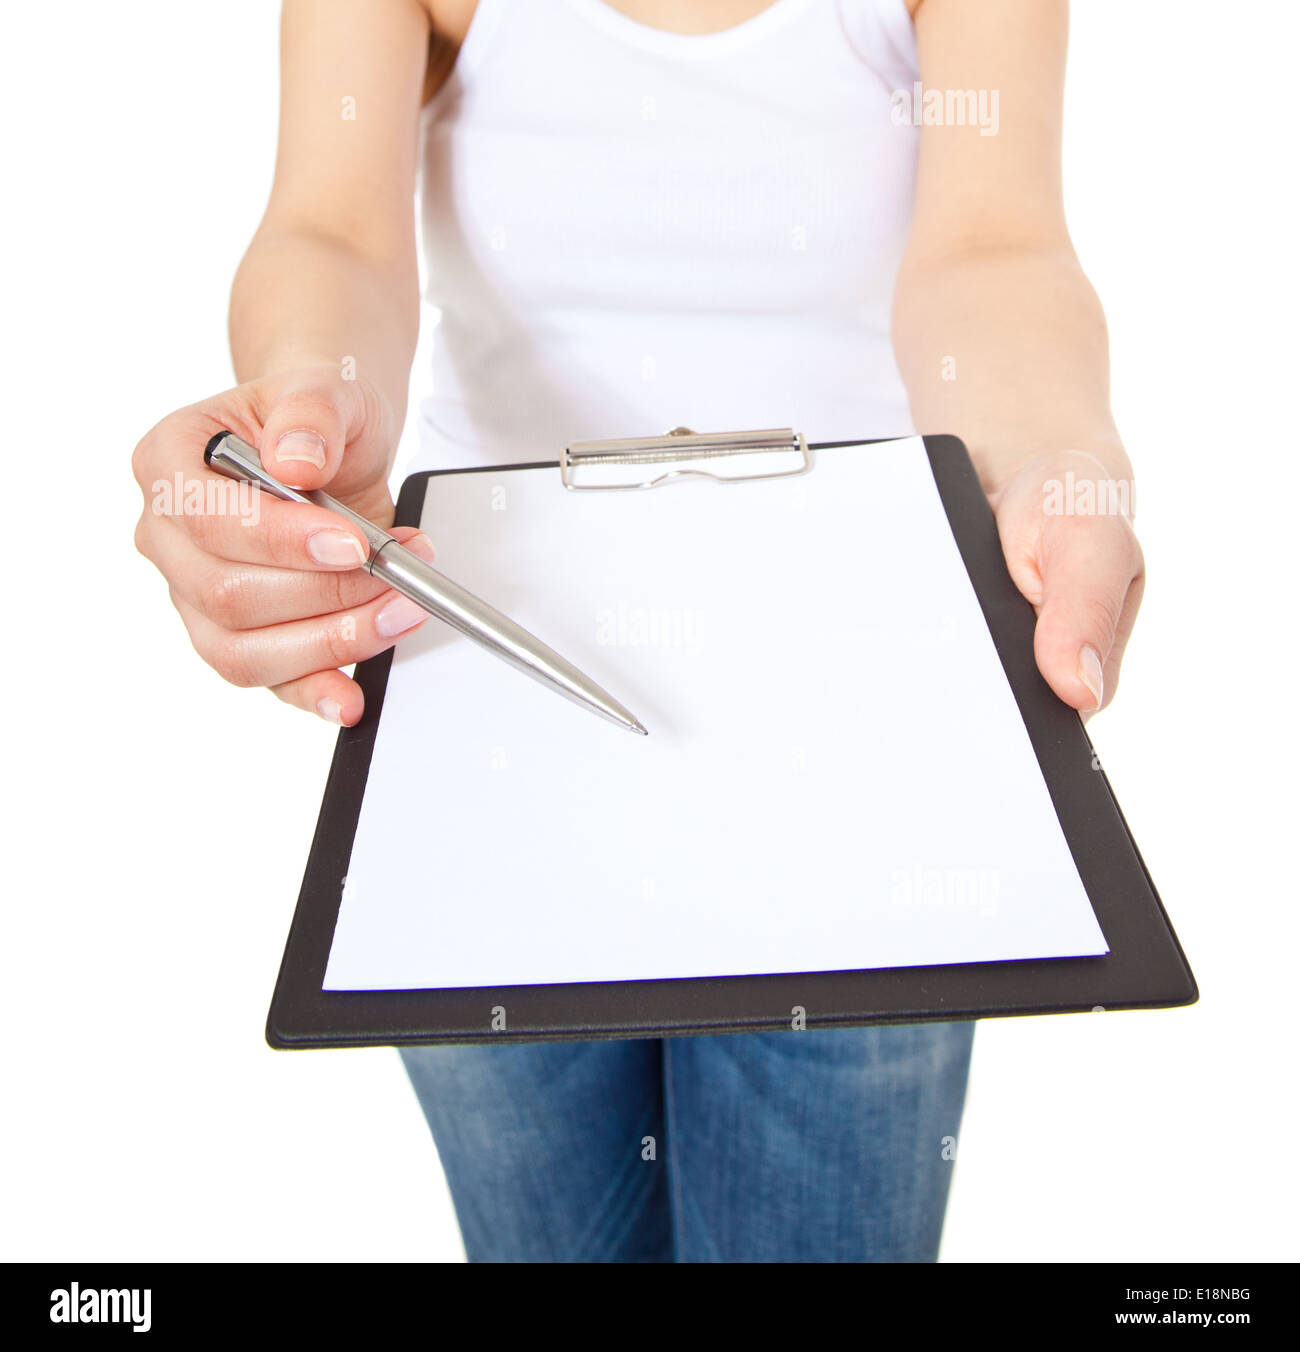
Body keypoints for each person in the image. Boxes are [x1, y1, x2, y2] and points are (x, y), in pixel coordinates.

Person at [132, 0, 1144, 1262]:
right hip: (483, 684)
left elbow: (992, 250)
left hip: (860, 700)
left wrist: (1056, 451)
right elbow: (331, 232)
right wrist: (299, 405)